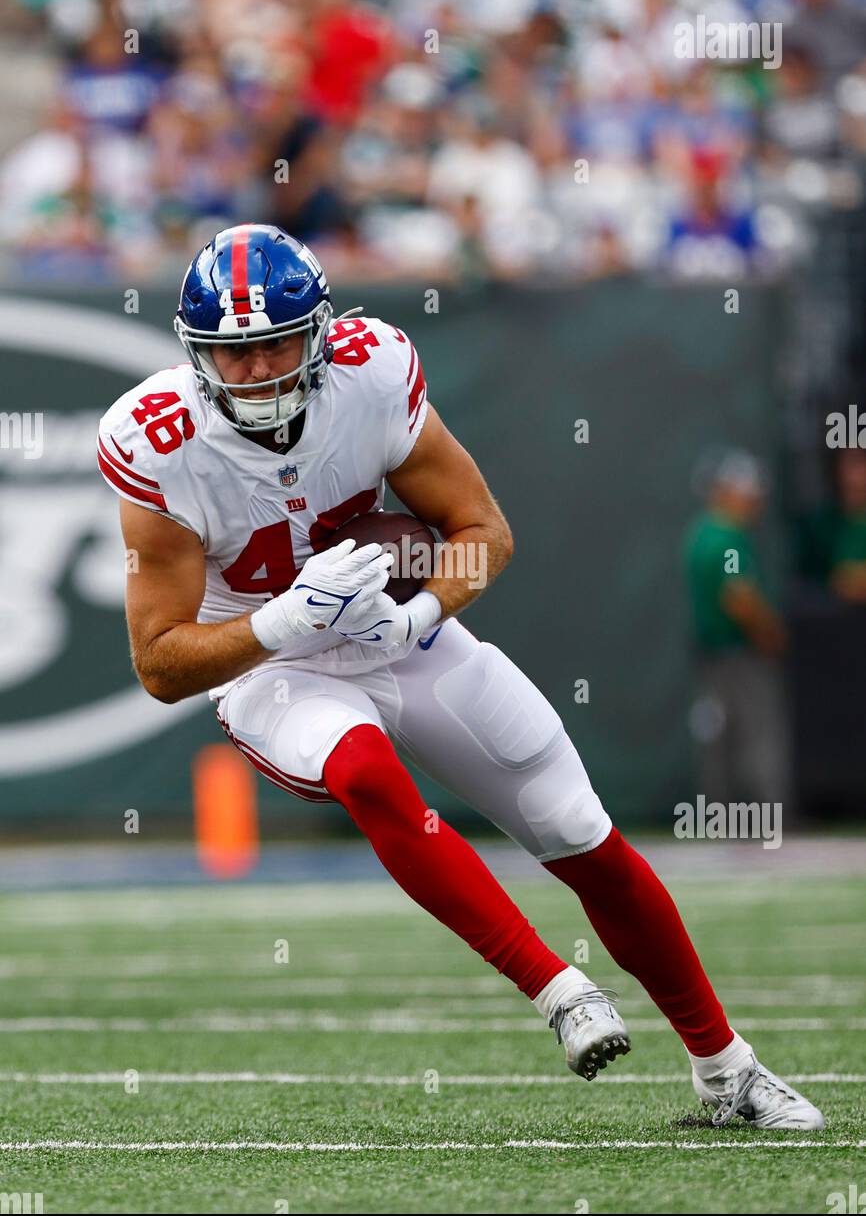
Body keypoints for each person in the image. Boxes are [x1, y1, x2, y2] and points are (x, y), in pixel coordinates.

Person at [97, 224, 822, 1130]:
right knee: (362, 766)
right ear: (194, 353)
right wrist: (284, 617)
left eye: (274, 345)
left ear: (320, 334)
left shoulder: (371, 374)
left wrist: (417, 613)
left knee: (575, 828)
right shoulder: (155, 439)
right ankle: (558, 990)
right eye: (230, 355)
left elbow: (485, 534)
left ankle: (728, 1072)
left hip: (394, 630)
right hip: (268, 662)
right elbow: (161, 663)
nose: (252, 373)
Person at [685, 449, 790, 807]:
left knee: (717, 736)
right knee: (756, 735)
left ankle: (719, 813)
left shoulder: (701, 535)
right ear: (731, 492)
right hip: (739, 656)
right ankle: (768, 812)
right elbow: (739, 596)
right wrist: (769, 632)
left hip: (711, 657)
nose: (755, 504)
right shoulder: (726, 538)